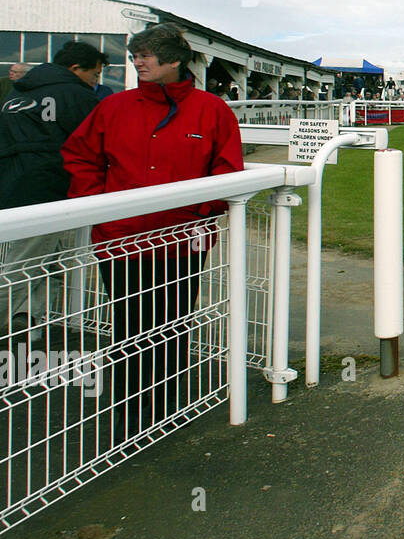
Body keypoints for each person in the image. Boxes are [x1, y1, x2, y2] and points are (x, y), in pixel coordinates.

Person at [62, 23, 245, 441]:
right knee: (127, 327)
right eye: (135, 55)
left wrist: (199, 212)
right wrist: (99, 206)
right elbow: (79, 155)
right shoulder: (113, 108)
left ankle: (166, 410)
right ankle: (128, 416)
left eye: (146, 55)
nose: (138, 62)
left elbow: (227, 170)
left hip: (182, 242)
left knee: (173, 324)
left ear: (174, 60)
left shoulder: (211, 109)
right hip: (120, 240)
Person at [0, 41, 107, 335]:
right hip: (49, 188)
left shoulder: (17, 93)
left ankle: (26, 319)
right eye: (95, 75)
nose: (96, 82)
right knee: (22, 268)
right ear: (76, 69)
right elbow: (98, 141)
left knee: (50, 261)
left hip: (12, 182)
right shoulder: (78, 95)